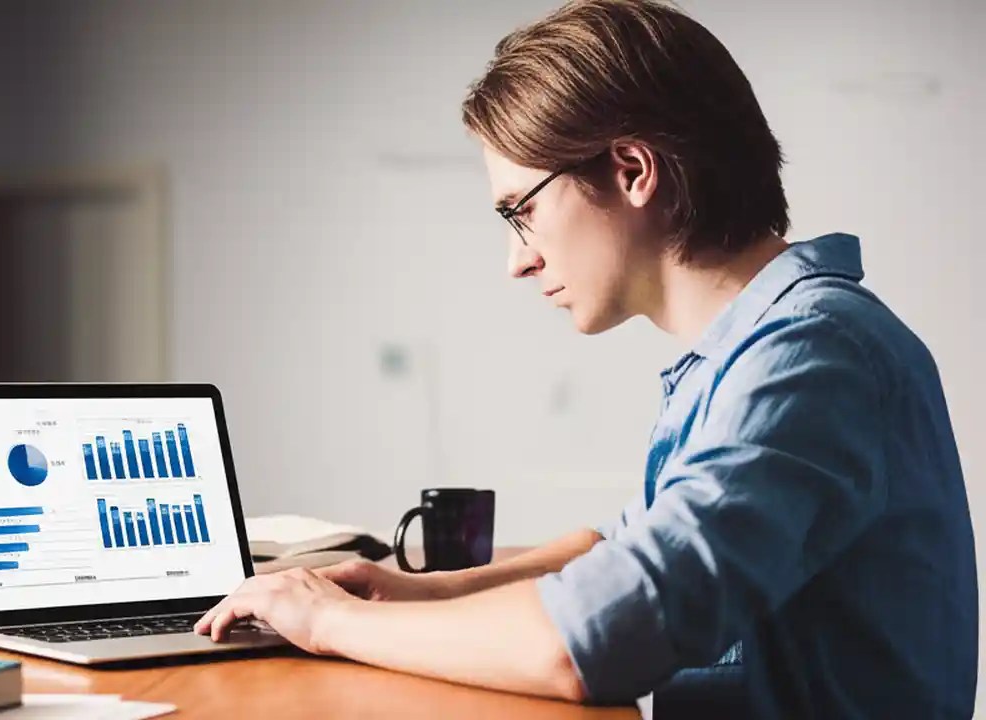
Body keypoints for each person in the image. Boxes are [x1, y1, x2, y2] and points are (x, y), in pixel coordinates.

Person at [194, 1, 978, 716]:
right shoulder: (748, 351)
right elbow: (623, 546)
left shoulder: (811, 355)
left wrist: (330, 621)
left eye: (521, 211)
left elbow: (592, 639)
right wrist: (419, 591)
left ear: (633, 170)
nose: (517, 260)